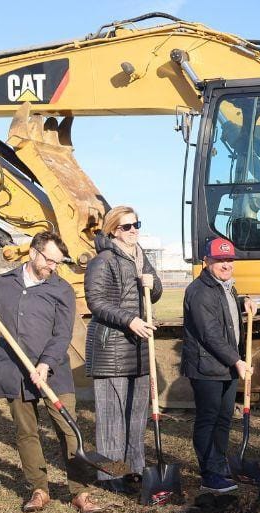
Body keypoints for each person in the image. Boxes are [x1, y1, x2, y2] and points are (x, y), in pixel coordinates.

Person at [0, 231, 104, 513]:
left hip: (54, 371)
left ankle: (80, 492)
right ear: (34, 253)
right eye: (50, 260)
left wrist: (46, 363)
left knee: (68, 431)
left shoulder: (61, 289)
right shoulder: (4, 283)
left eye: (58, 263)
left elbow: (62, 334)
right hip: (14, 369)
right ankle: (39, 489)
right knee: (26, 432)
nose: (54, 267)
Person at [84, 206, 162, 494]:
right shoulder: (102, 261)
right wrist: (130, 320)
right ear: (114, 230)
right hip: (111, 351)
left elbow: (154, 293)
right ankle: (111, 475)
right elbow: (97, 302)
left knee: (137, 414)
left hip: (139, 349)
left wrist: (152, 285)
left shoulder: (141, 258)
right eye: (127, 226)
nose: (133, 231)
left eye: (136, 224)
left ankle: (136, 469)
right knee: (111, 417)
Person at [182, 237, 253, 493]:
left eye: (229, 260)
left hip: (226, 366)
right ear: (207, 261)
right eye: (220, 260)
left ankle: (219, 462)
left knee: (224, 418)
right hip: (206, 368)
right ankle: (208, 473)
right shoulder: (199, 291)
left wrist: (243, 301)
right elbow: (209, 333)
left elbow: (226, 317)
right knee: (208, 419)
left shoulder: (226, 287)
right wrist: (236, 360)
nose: (226, 264)